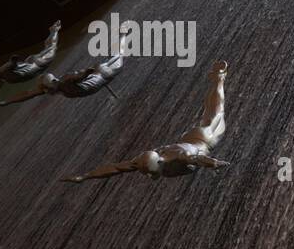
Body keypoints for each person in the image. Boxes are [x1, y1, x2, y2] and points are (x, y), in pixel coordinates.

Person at [62, 60, 229, 182]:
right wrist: (85, 176)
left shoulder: (181, 155)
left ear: (159, 161)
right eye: (148, 172)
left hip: (206, 139)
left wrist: (214, 163)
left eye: (151, 172)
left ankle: (219, 78)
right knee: (210, 110)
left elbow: (198, 158)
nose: (150, 175)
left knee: (216, 111)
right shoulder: (143, 162)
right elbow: (113, 168)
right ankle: (217, 80)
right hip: (189, 139)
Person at [0, 50, 124, 106]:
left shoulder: (53, 88)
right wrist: (86, 73)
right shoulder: (63, 82)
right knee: (117, 55)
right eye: (54, 80)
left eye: (54, 79)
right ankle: (123, 36)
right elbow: (77, 77)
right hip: (102, 75)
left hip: (99, 77)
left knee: (115, 56)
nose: (56, 80)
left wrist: (8, 102)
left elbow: (28, 94)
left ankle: (122, 37)